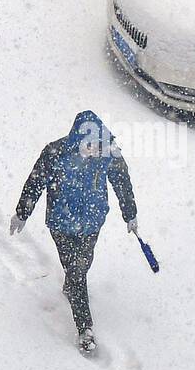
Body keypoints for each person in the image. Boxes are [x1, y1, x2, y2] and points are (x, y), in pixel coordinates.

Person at [10, 111, 137, 354]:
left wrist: (130, 213)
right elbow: (35, 182)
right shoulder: (55, 153)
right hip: (61, 225)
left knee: (82, 266)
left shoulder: (108, 152)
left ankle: (71, 289)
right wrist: (22, 212)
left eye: (97, 146)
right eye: (89, 146)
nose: (93, 151)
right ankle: (85, 328)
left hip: (92, 223)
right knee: (77, 269)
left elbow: (122, 180)